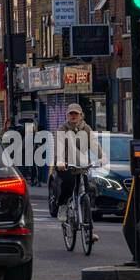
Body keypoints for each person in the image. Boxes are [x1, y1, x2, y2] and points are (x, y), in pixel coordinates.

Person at [52, 104, 100, 244]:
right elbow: (58, 147)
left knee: (87, 192)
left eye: (76, 114)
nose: (73, 116)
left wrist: (102, 157)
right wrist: (60, 161)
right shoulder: (63, 130)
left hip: (81, 166)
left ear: (81, 115)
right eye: (71, 114)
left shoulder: (87, 129)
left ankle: (88, 231)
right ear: (67, 116)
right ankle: (62, 206)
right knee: (68, 183)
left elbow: (94, 145)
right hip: (66, 166)